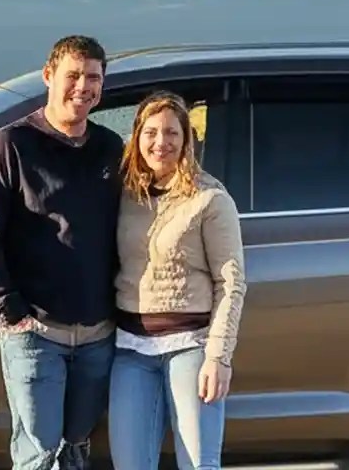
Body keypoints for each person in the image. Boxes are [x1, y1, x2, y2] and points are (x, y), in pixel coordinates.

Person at [0, 34, 126, 470]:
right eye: (72, 75)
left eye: (93, 77)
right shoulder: (11, 145)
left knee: (77, 448)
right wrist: (7, 311)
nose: (83, 87)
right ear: (49, 75)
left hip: (98, 333)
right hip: (36, 332)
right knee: (39, 454)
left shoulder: (111, 149)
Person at [108, 90, 246, 470]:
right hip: (131, 352)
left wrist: (218, 357)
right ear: (136, 137)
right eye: (150, 132)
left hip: (191, 348)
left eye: (172, 133)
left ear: (187, 139)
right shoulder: (124, 194)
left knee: (198, 464)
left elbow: (231, 283)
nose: (161, 142)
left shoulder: (209, 199)